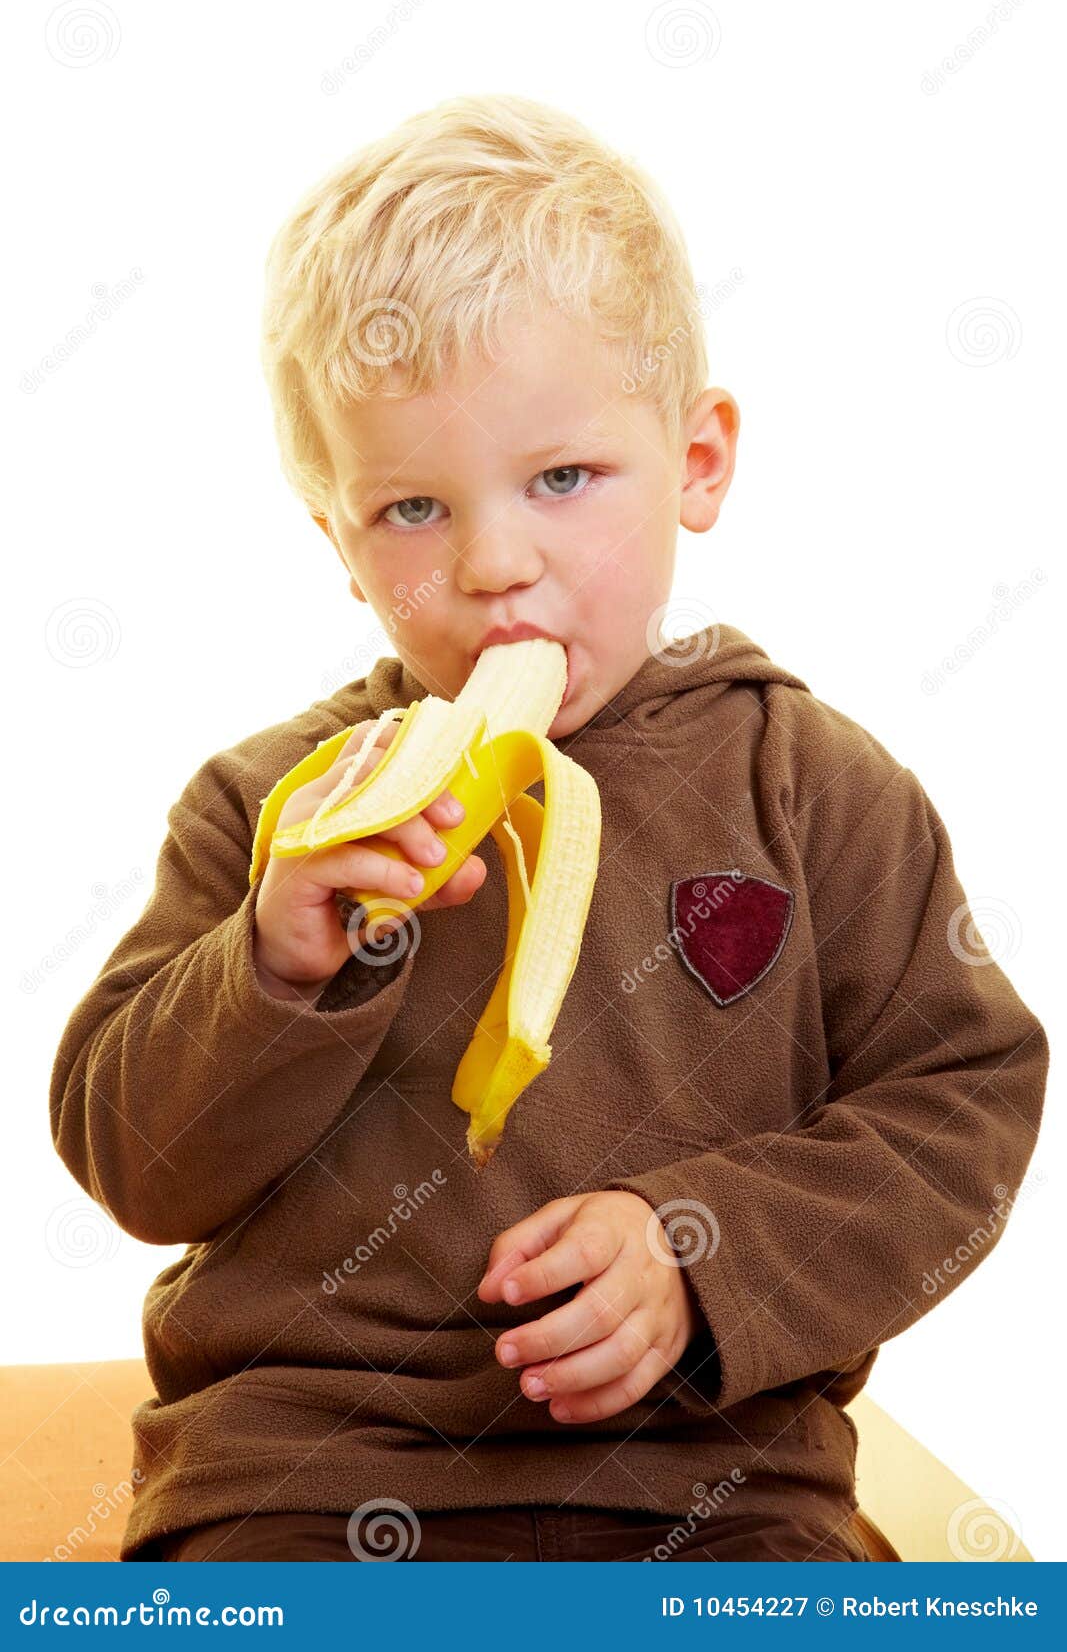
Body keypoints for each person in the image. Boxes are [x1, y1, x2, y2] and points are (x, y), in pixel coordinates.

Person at [50, 94, 1047, 1564]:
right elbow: (130, 1158)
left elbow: (960, 1106)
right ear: (333, 539)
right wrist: (269, 961)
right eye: (410, 509)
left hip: (712, 1481)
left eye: (563, 480)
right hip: (298, 1480)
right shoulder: (274, 811)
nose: (493, 565)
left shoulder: (816, 789)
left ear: (699, 461)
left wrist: (706, 1250)